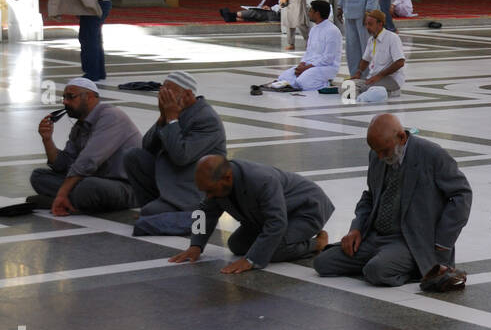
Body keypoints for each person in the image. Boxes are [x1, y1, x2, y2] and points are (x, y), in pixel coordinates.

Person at [314, 113, 471, 290]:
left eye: (384, 151)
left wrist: (443, 241)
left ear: (402, 137)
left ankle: (416, 265)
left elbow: (462, 194)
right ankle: (386, 261)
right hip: (375, 236)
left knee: (376, 271)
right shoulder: (377, 154)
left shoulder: (432, 155)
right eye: (376, 151)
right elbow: (370, 196)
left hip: (410, 240)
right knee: (324, 263)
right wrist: (356, 228)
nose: (380, 157)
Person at [169, 155, 334, 275]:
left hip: (305, 210)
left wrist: (251, 260)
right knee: (237, 245)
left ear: (227, 178)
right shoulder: (217, 184)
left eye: (210, 191)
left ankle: (316, 244)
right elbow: (203, 212)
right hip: (270, 216)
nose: (208, 196)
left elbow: (276, 223)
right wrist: (195, 245)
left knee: (272, 251)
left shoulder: (261, 180)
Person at [123, 71, 227, 232]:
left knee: (150, 213)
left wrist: (172, 119)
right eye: (162, 91)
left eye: (169, 92)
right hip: (171, 176)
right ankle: (157, 206)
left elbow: (182, 157)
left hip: (191, 188)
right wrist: (162, 118)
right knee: (133, 156)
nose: (164, 96)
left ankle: (192, 216)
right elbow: (147, 147)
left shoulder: (207, 119)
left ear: (187, 94)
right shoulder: (175, 111)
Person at [29, 78, 141, 216]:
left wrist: (62, 192)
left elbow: (88, 161)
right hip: (92, 180)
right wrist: (47, 140)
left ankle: (60, 199)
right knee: (38, 176)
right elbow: (63, 165)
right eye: (64, 97)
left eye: (70, 97)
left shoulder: (111, 116)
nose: (65, 102)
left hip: (126, 187)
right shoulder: (79, 127)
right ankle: (73, 201)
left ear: (89, 97)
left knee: (89, 187)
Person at [265, 0, 342, 92]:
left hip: (326, 67)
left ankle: (326, 83)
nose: (308, 13)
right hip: (309, 65)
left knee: (302, 82)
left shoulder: (332, 31)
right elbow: (308, 51)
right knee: (284, 77)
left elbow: (328, 58)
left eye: (310, 11)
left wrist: (306, 68)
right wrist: (302, 64)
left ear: (317, 13)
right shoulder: (313, 29)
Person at [348, 9, 406, 99]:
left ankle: (391, 91)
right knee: (347, 86)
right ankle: (376, 93)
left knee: (367, 88)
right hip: (374, 79)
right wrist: (358, 72)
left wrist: (379, 76)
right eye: (366, 24)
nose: (367, 27)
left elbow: (400, 62)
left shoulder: (392, 38)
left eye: (370, 24)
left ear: (380, 24)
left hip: (392, 79)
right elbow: (365, 60)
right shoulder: (371, 40)